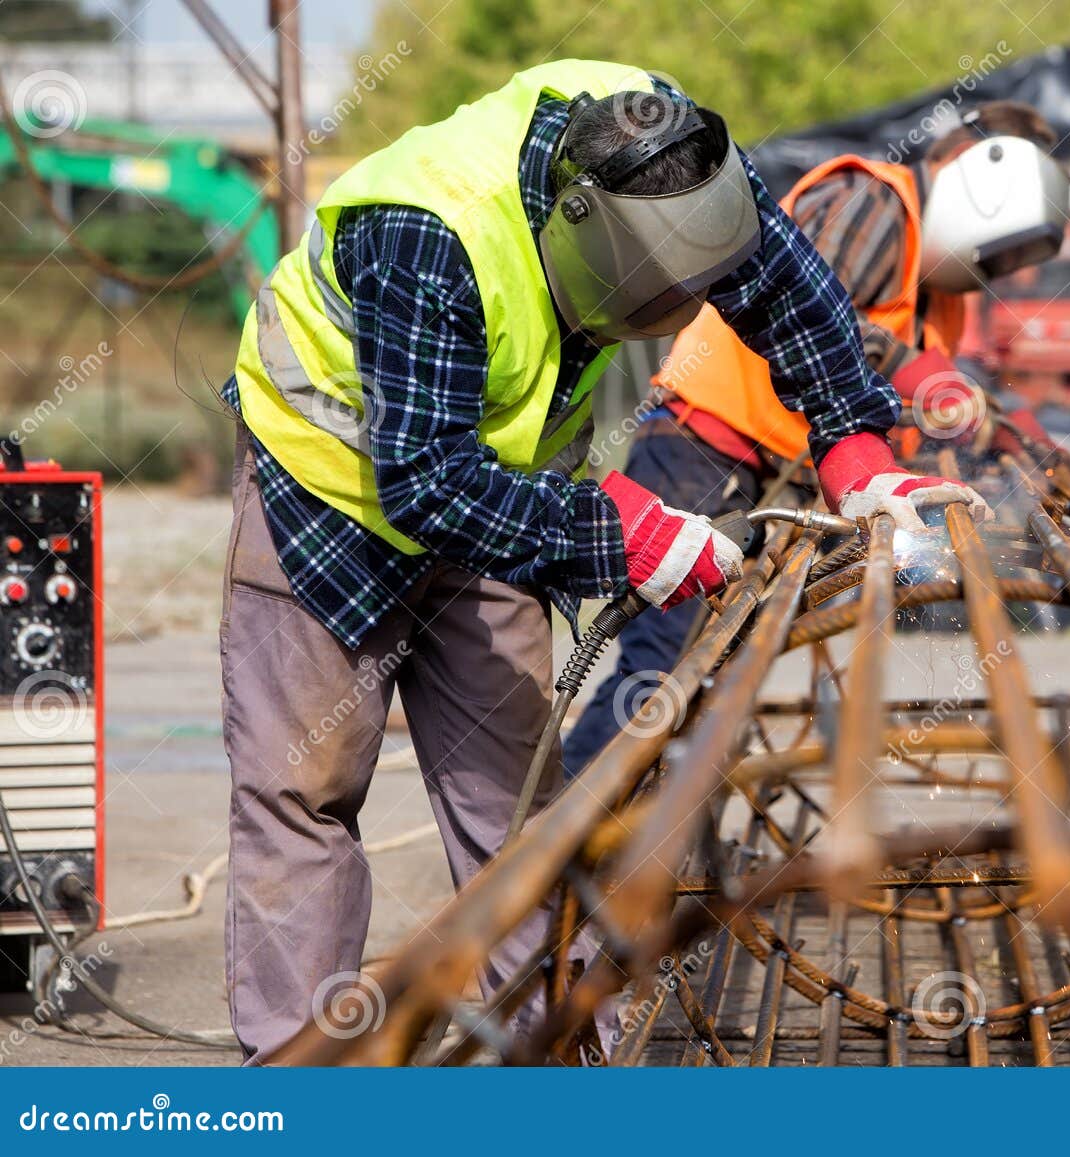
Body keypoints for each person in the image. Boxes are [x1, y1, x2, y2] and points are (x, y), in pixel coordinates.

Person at [218, 58, 984, 1062]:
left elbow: (784, 283)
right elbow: (426, 485)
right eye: (652, 293)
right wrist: (626, 535)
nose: (671, 315)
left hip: (500, 490)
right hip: (330, 489)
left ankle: (556, 1063)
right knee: (304, 791)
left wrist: (850, 440)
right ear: (575, 220)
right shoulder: (424, 231)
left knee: (518, 807)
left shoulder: (678, 155)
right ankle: (295, 1074)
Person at [560, 101, 1068, 777]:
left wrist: (1003, 428)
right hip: (701, 451)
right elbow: (815, 321)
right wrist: (917, 371)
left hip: (763, 470)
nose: (1002, 264)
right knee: (664, 669)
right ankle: (567, 836)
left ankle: (626, 840)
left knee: (711, 674)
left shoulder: (936, 283)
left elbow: (900, 396)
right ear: (966, 166)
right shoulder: (871, 205)